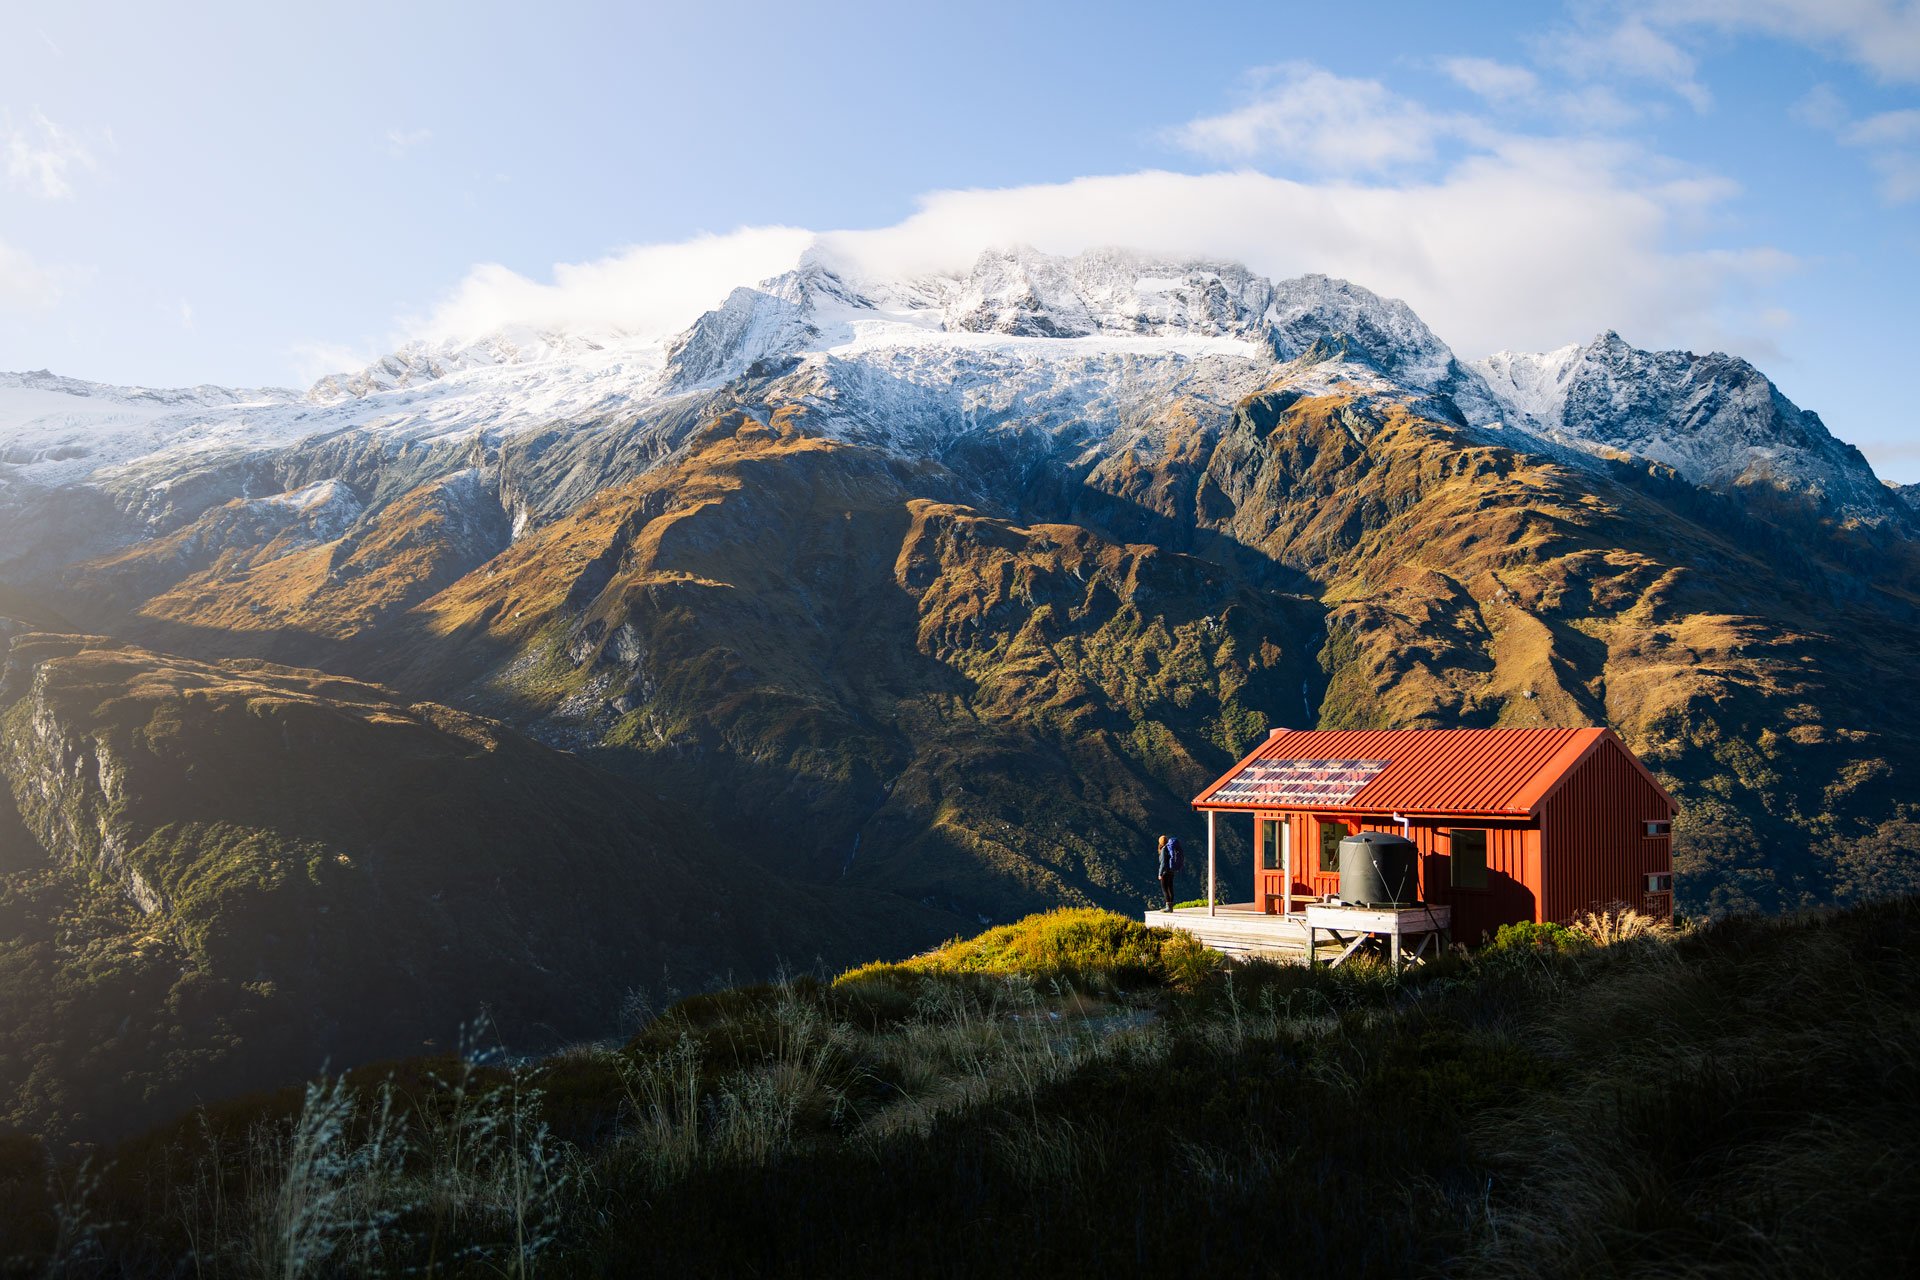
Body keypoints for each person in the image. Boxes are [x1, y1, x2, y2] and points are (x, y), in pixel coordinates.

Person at [1157, 834, 1181, 912]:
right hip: (1171, 871)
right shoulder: (1170, 848)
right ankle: (1171, 907)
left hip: (1165, 872)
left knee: (1165, 889)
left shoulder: (1164, 849)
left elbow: (1163, 863)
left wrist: (1160, 873)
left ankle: (1168, 907)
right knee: (1170, 888)